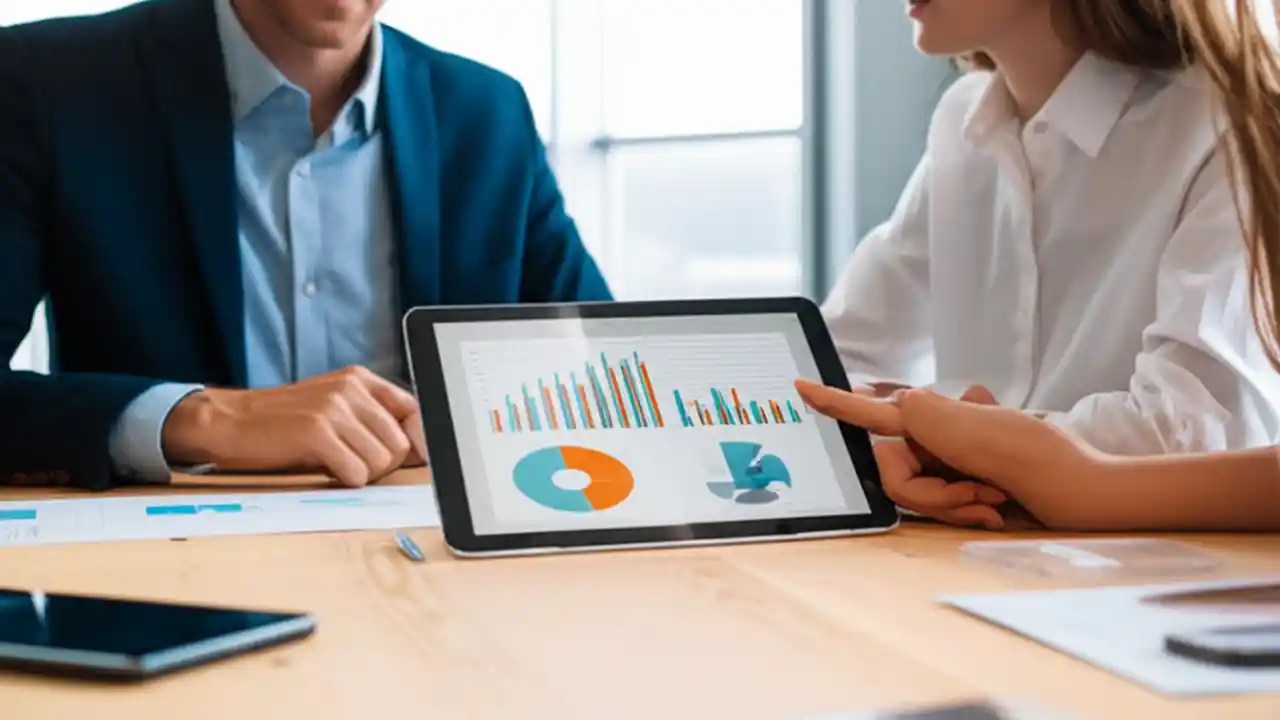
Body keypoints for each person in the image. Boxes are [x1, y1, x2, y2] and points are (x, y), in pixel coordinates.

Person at [0, 0, 611, 490]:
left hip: (435, 553)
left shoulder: (486, 110)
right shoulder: (50, 81)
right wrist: (208, 420)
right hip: (178, 562)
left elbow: (602, 371)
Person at [801, 0, 1280, 531]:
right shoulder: (965, 121)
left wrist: (948, 441)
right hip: (988, 556)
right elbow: (831, 363)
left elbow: (1196, 431)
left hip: (1166, 576)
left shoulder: (1224, 124)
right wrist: (884, 441)